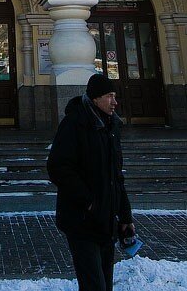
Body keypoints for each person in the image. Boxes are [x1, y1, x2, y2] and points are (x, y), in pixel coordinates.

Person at [46, 74, 134, 291]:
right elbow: (58, 167)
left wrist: (125, 216)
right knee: (94, 286)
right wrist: (89, 202)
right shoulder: (74, 123)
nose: (115, 102)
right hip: (82, 221)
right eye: (109, 96)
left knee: (104, 284)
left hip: (106, 223)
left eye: (115, 96)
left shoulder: (112, 126)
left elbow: (116, 177)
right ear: (95, 98)